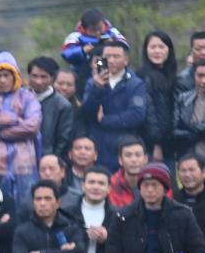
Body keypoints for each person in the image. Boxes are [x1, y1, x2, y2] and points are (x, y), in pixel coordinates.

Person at [0, 52, 42, 202]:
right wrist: (15, 118)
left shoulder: (28, 96)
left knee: (25, 207)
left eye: (6, 75)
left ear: (15, 75)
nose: (2, 80)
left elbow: (32, 125)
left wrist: (3, 132)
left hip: (24, 163)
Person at [81, 40, 146, 172]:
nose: (111, 60)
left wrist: (106, 120)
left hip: (124, 144)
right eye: (107, 57)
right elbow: (87, 113)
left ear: (125, 60)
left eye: (116, 56)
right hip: (98, 145)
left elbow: (137, 115)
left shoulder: (135, 83)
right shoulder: (92, 82)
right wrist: (97, 88)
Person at [138, 31, 178, 162]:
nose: (157, 51)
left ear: (169, 50)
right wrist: (157, 144)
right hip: (153, 146)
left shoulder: (172, 75)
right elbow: (150, 114)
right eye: (153, 47)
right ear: (146, 50)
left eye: (161, 47)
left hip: (171, 143)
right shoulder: (143, 76)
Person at [61, 8, 128, 86]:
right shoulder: (76, 36)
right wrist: (82, 51)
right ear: (85, 28)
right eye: (93, 30)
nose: (97, 32)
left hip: (110, 69)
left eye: (99, 28)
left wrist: (113, 43)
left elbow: (124, 46)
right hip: (83, 74)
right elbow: (66, 54)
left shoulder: (112, 32)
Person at [27, 56, 75, 159]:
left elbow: (63, 139)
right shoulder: (21, 99)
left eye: (43, 77)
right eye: (34, 76)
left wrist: (53, 158)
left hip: (47, 159)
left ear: (53, 78)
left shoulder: (62, 105)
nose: (38, 81)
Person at [173, 59, 205, 160]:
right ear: (194, 76)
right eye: (200, 76)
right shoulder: (183, 99)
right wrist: (191, 134)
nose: (203, 81)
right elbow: (174, 129)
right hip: (188, 157)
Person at [109, 136, 148, 208]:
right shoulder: (112, 184)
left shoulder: (158, 182)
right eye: (128, 155)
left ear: (145, 159)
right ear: (120, 160)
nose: (133, 160)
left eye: (138, 155)